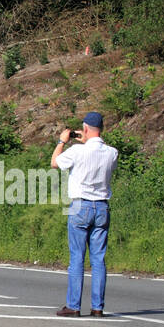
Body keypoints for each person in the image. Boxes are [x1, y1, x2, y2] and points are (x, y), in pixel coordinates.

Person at [52, 111, 118, 316]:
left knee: (77, 257)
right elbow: (100, 152)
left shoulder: (77, 152)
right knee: (98, 259)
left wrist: (62, 142)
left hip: (81, 206)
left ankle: (73, 305)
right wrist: (91, 138)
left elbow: (55, 162)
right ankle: (97, 307)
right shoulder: (112, 152)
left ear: (86, 129)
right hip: (101, 207)